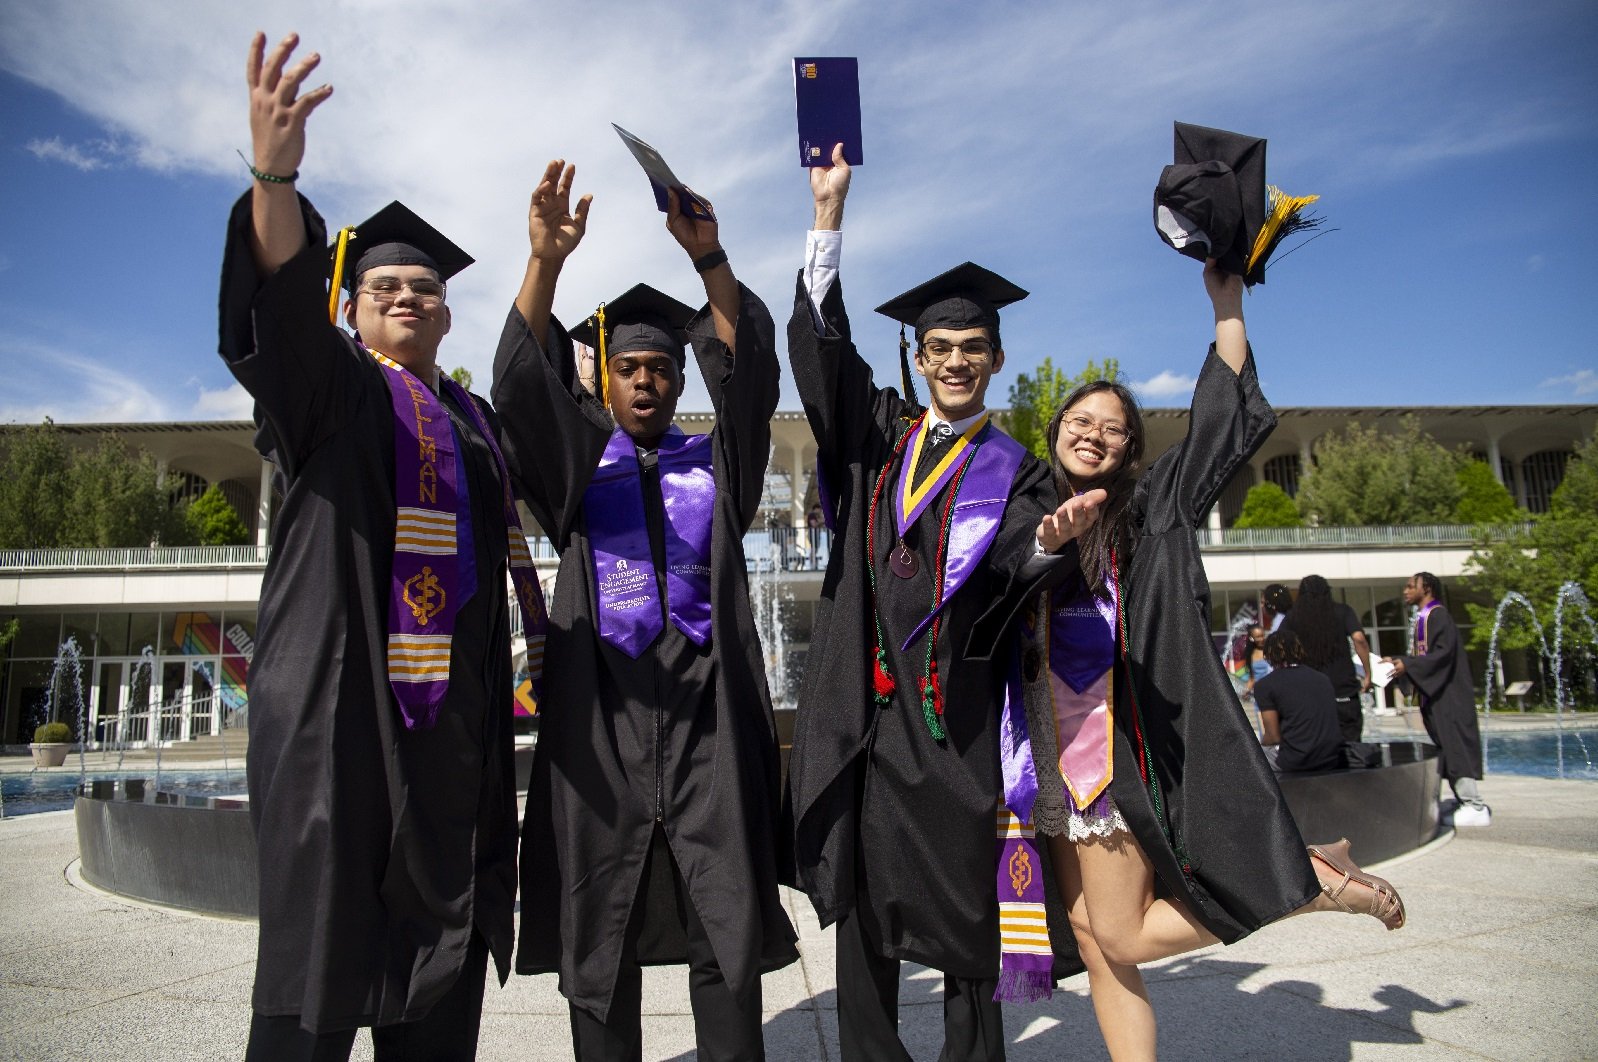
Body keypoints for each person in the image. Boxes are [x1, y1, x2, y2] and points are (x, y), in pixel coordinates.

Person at [222, 32, 543, 1059]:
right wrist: (275, 178)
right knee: (316, 975)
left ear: (448, 314)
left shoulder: (475, 425)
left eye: (426, 288)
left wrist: (543, 265)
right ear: (351, 307)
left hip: (450, 740)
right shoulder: (334, 392)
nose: (407, 296)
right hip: (339, 728)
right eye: (384, 287)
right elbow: (280, 308)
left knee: (437, 986)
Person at [998, 258, 1406, 1062]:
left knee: (1122, 934)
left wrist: (1227, 306)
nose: (1094, 433)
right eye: (1081, 419)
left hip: (1112, 759)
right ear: (1055, 429)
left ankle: (1305, 884)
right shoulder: (1027, 509)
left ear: (1130, 449)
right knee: (1093, 939)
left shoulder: (1155, 509)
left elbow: (1217, 424)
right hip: (1043, 761)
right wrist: (1046, 543)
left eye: (1114, 427)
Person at [784, 144, 1105, 1061]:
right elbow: (823, 357)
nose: (956, 362)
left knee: (969, 908)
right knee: (863, 908)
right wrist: (828, 219)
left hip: (955, 720)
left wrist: (1047, 545)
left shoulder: (1021, 472)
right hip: (865, 714)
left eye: (972, 349)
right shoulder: (881, 433)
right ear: (917, 357)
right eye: (940, 349)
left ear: (997, 359)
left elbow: (1013, 563)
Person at [492, 159, 798, 1060]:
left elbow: (751, 377)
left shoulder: (719, 469)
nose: (645, 383)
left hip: (710, 742)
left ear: (680, 380)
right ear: (604, 380)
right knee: (600, 942)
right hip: (601, 741)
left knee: (725, 941)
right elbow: (521, 391)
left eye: (661, 368)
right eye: (626, 368)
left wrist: (710, 260)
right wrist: (544, 263)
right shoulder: (577, 473)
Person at [1386, 572, 1489, 826]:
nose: (1406, 591)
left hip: (1450, 696)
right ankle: (1461, 799)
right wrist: (1401, 663)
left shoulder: (1438, 615)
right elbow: (1426, 657)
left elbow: (1442, 656)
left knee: (1455, 745)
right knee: (1445, 745)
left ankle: (1474, 804)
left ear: (1427, 588)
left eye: (1411, 586)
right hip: (1437, 697)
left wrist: (1408, 665)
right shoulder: (1424, 617)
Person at [1281, 574, 1373, 741]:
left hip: (1310, 694)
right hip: (1343, 692)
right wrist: (1368, 674)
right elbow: (1359, 639)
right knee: (1351, 745)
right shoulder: (1343, 611)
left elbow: (1280, 646)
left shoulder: (1292, 617)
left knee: (1316, 744)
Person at [1254, 630, 1344, 773]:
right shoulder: (1323, 678)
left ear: (1268, 654)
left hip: (1297, 761)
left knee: (1249, 759)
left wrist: (1258, 747)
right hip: (1332, 757)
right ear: (1299, 650)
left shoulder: (1265, 685)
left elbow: (1273, 737)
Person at [1242, 624, 1271, 701]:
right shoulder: (1250, 654)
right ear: (1251, 638)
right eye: (1258, 637)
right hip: (1261, 692)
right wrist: (1246, 691)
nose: (1262, 639)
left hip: (1274, 688)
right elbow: (1252, 678)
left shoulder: (1271, 650)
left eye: (1263, 635)